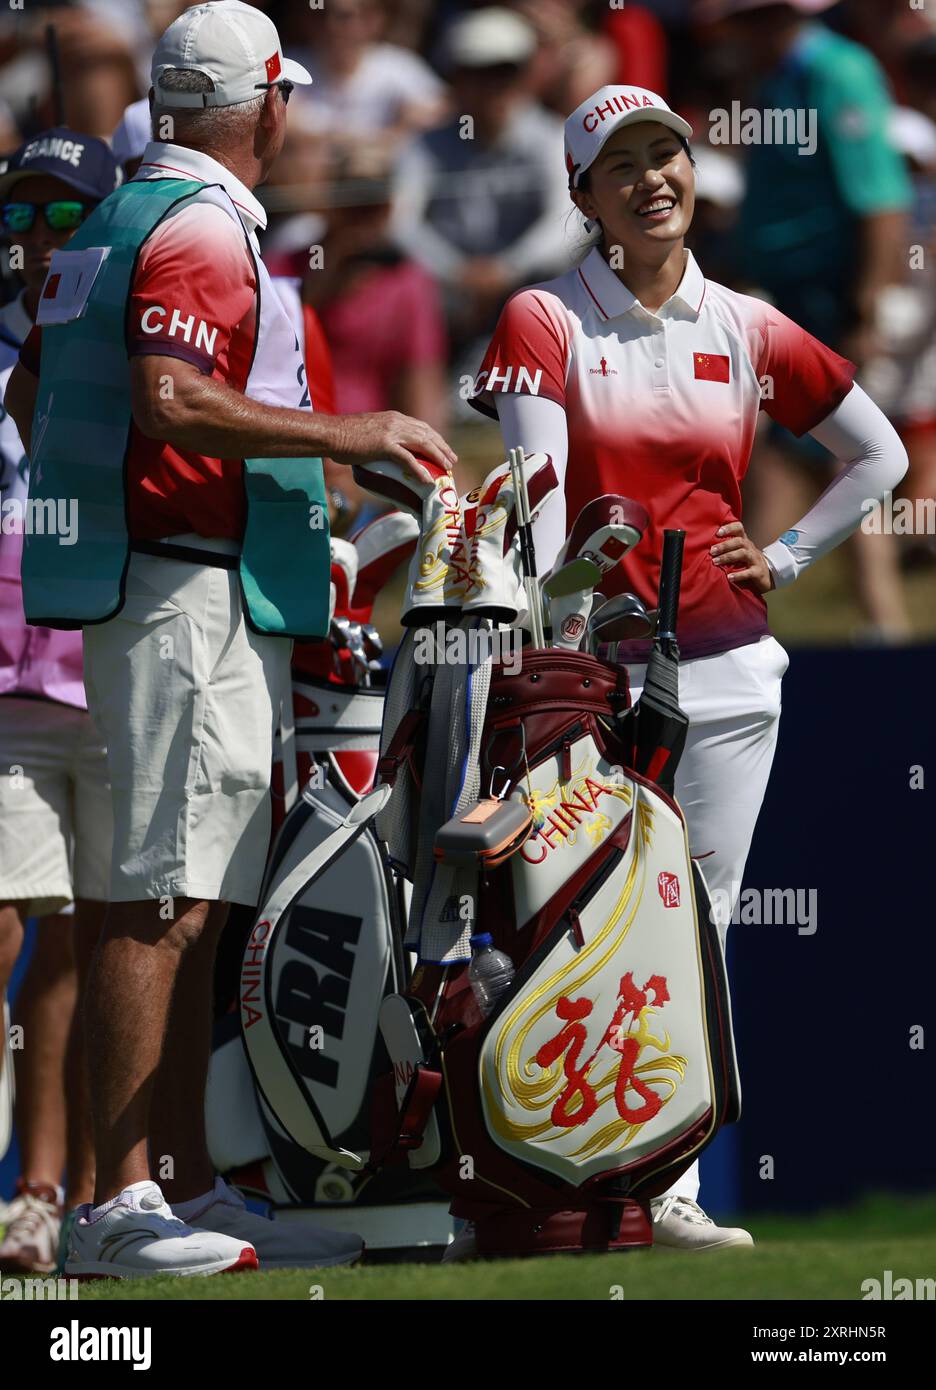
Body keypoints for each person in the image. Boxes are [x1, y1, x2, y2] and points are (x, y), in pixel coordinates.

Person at [6, 0, 456, 1281]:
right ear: (265, 103)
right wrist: (348, 438)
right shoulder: (203, 226)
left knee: (176, 897)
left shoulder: (115, 217)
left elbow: (39, 387)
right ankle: (120, 1204)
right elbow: (168, 394)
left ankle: (185, 1187)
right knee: (158, 895)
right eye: (284, 96)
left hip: (169, 585)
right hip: (181, 596)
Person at [468, 82, 907, 1250]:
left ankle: (667, 1188)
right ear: (584, 197)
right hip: (585, 679)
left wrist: (789, 554)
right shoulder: (541, 320)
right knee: (567, 922)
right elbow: (541, 517)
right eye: (623, 167)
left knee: (695, 926)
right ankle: (559, 1182)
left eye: (667, 155)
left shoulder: (749, 324)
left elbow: (883, 453)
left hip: (728, 676)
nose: (653, 179)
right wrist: (563, 634)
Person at [0, 129, 121, 1274]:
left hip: (106, 673)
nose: (38, 239)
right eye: (19, 217)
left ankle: (62, 1199)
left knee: (85, 944)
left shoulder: (127, 338)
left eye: (63, 214)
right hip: (2, 693)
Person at [705, 0, 913, 640]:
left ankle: (878, 633)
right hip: (787, 303)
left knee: (844, 460)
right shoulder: (773, 80)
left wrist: (866, 308)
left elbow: (881, 199)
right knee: (801, 462)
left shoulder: (838, 73)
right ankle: (869, 631)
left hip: (832, 304)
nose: (743, 35)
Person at [391, 6, 570, 361]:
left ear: (525, 75)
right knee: (398, 286)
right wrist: (455, 272)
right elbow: (401, 224)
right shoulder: (425, 145)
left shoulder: (551, 139)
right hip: (446, 295)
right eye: (479, 73)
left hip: (530, 287)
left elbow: (567, 222)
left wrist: (507, 270)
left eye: (504, 72)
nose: (493, 86)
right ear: (456, 78)